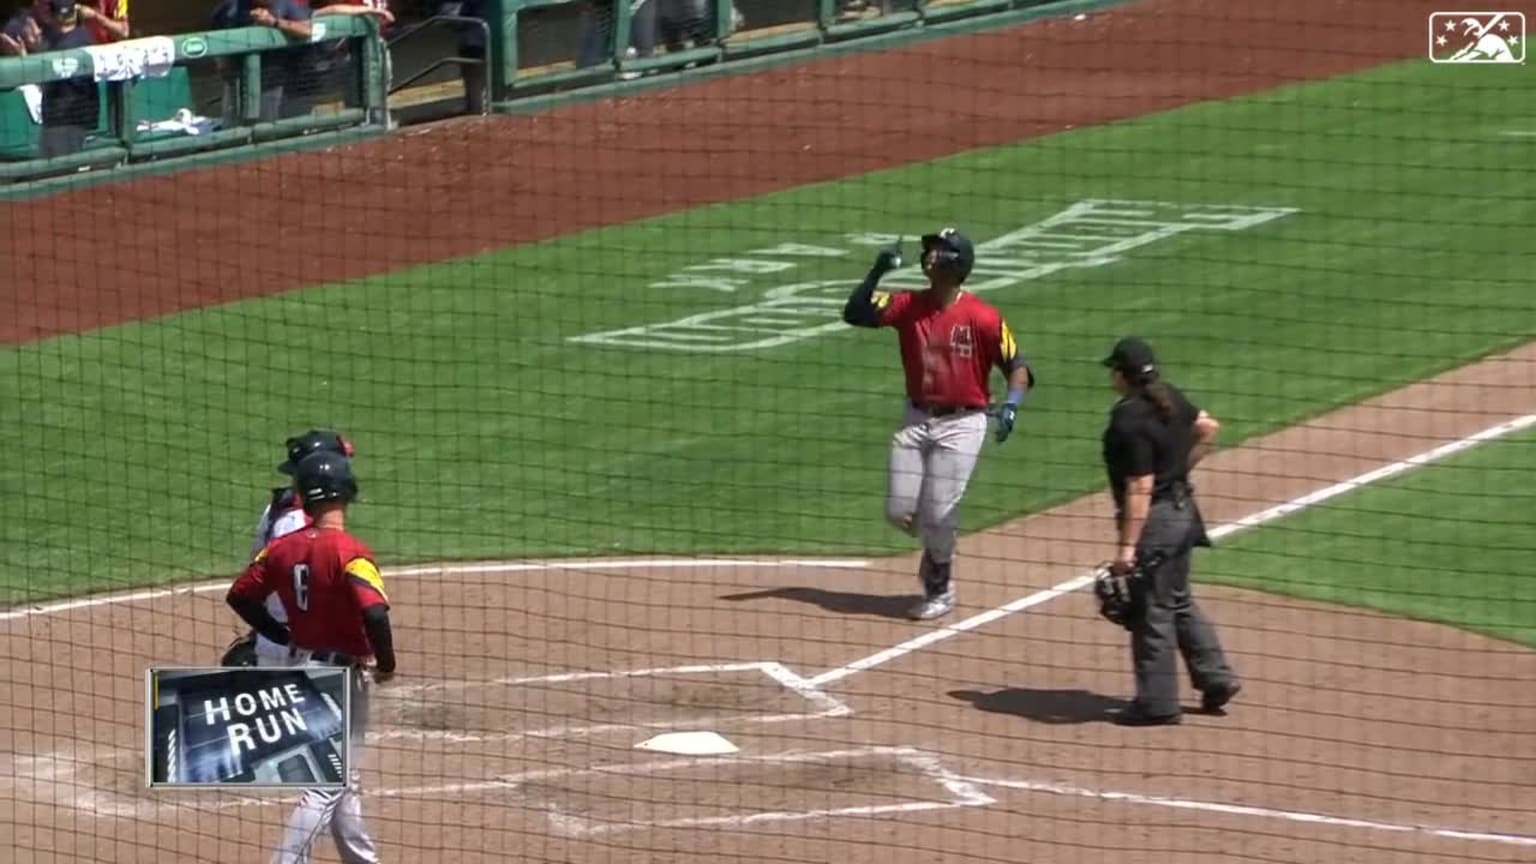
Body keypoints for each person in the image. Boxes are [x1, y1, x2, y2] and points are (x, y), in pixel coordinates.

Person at [842, 228, 1036, 620]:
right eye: (929, 250)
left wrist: (1012, 405)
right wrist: (877, 271)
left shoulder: (983, 318)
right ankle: (936, 542)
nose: (928, 255)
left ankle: (940, 587)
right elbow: (855, 312)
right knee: (898, 510)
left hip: (963, 423)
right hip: (916, 420)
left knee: (937, 512)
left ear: (956, 263)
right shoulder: (907, 304)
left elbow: (1018, 367)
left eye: (938, 251)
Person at [226, 448, 395, 864]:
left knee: (344, 779)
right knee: (327, 784)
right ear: (346, 491)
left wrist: (278, 632)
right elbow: (374, 612)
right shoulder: (351, 552)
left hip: (300, 666)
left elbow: (240, 595)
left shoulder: (282, 549)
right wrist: (387, 663)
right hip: (339, 679)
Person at [1098, 336, 1240, 726]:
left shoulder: (1128, 419)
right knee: (1177, 599)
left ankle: (1157, 704)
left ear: (1121, 375)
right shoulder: (1170, 396)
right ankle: (1216, 677)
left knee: (1151, 610)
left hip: (1157, 522)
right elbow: (1208, 428)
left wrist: (1126, 549)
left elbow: (1140, 486)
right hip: (1184, 512)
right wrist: (1178, 471)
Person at [221, 430, 358, 668]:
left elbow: (258, 566)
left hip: (279, 634)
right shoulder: (298, 521)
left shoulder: (279, 508)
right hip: (302, 643)